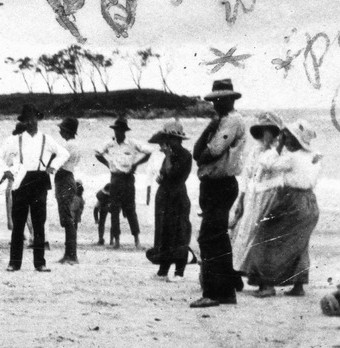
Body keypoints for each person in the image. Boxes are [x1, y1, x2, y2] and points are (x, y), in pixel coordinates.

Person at [240, 122, 322, 297]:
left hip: (291, 200)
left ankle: (266, 285)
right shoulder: (315, 156)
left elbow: (267, 163)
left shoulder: (292, 158)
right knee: (300, 244)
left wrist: (279, 146)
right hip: (310, 202)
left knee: (266, 238)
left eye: (288, 138)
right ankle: (298, 285)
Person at [189, 79, 248, 308]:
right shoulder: (224, 120)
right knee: (216, 238)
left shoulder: (232, 121)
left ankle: (214, 292)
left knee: (211, 238)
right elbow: (198, 152)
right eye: (215, 100)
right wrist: (210, 127)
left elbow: (210, 152)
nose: (216, 104)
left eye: (219, 100)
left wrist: (210, 131)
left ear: (230, 100)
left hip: (220, 183)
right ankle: (224, 291)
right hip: (216, 184)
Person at [0, 105, 68, 272]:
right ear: (24, 121)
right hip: (21, 181)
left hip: (40, 181)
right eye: (27, 119)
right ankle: (14, 263)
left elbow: (64, 153)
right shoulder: (16, 140)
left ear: (38, 119)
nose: (30, 121)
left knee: (39, 224)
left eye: (33, 118)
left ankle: (40, 263)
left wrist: (53, 167)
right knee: (18, 225)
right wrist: (7, 171)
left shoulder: (46, 139)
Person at [230, 112, 285, 278]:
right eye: (263, 130)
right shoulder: (255, 150)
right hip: (252, 197)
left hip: (268, 197)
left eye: (269, 130)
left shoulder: (280, 152)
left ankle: (257, 274)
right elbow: (246, 177)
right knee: (243, 232)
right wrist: (240, 200)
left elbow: (280, 179)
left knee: (261, 235)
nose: (265, 134)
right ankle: (239, 271)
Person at [145, 120, 194, 278]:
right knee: (164, 232)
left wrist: (167, 157)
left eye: (168, 140)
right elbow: (162, 175)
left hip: (177, 196)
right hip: (166, 196)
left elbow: (172, 174)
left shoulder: (185, 155)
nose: (164, 144)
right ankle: (163, 270)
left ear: (175, 139)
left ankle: (179, 272)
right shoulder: (172, 155)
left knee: (179, 233)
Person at [95, 116, 151, 249]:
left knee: (131, 209)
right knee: (114, 210)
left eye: (120, 130)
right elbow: (97, 153)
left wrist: (136, 165)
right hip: (115, 178)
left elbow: (148, 152)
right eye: (116, 130)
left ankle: (137, 240)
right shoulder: (109, 143)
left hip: (128, 178)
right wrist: (107, 164)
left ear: (124, 131)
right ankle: (117, 241)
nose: (117, 132)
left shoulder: (132, 143)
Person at [54, 117, 85, 264]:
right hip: (68, 177)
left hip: (64, 179)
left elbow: (58, 162)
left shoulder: (68, 145)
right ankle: (69, 254)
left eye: (62, 129)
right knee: (68, 218)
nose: (60, 130)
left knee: (67, 218)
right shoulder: (73, 145)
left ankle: (71, 255)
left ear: (66, 131)